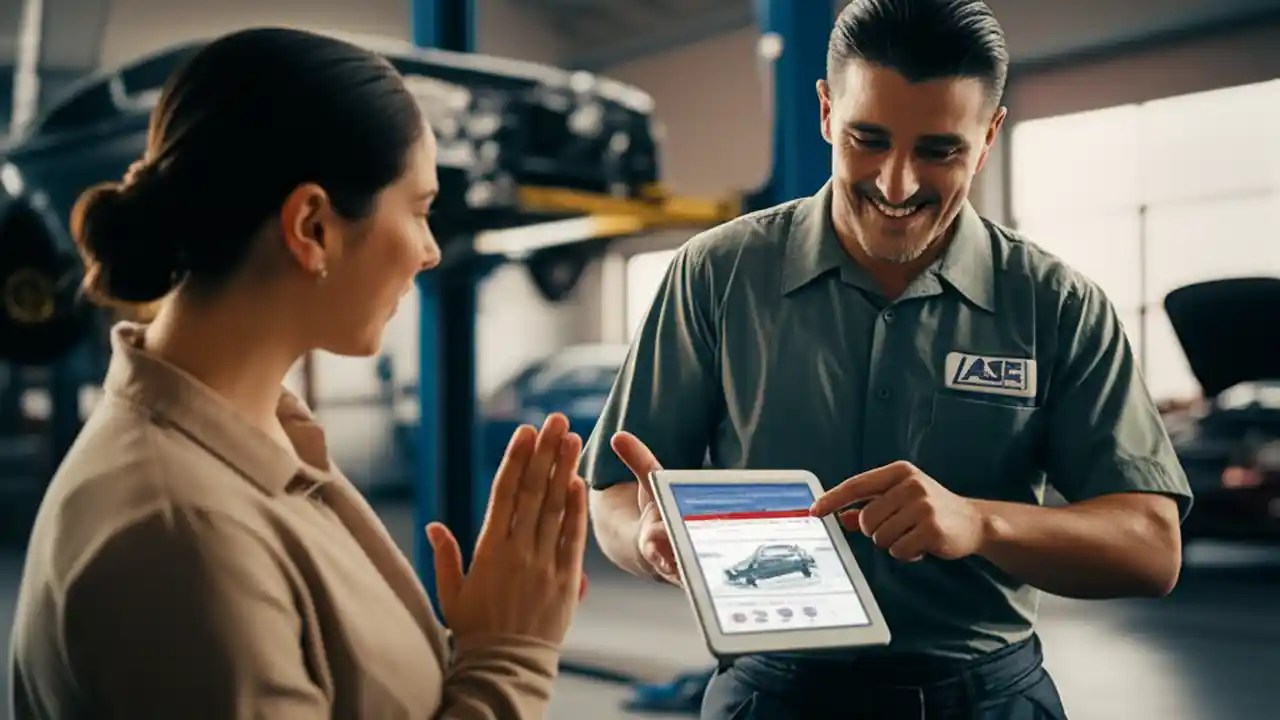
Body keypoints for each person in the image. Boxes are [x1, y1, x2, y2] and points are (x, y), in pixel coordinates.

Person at [582, 1, 1193, 718]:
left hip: (986, 700)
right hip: (772, 695)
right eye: (866, 140)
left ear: (990, 134)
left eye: (940, 151)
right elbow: (616, 495)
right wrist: (647, 541)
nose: (896, 185)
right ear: (824, 110)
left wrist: (980, 523)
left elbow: (1151, 548)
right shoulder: (718, 275)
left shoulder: (1054, 304)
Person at [10, 28, 588, 720]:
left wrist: (473, 647)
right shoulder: (182, 538)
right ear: (313, 226)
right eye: (420, 210)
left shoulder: (261, 444)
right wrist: (508, 661)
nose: (431, 251)